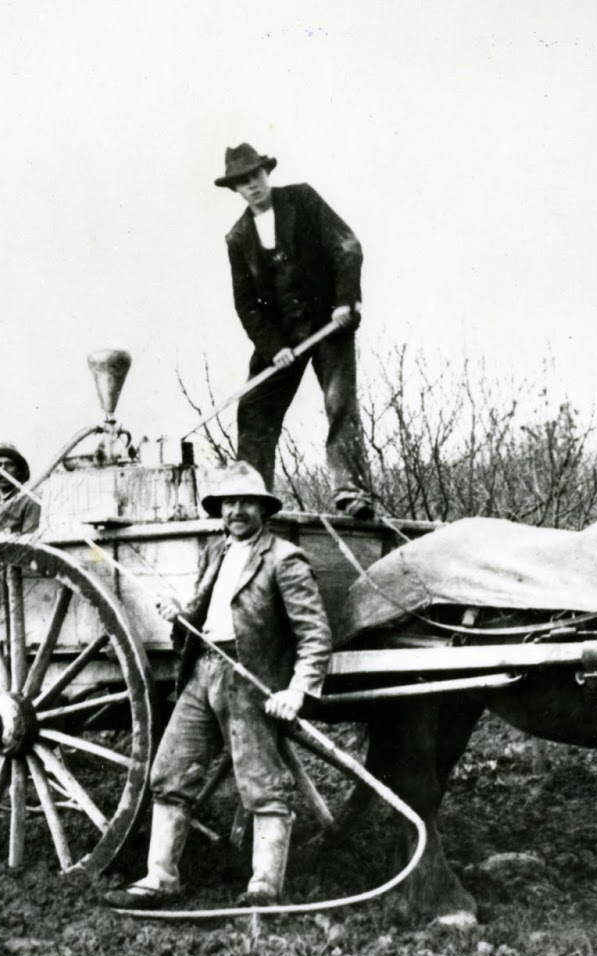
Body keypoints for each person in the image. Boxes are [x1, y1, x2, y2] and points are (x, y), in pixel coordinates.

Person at [104, 461, 331, 909]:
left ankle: (264, 888)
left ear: (263, 510)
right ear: (220, 509)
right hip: (201, 672)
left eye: (246, 502)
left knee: (262, 781)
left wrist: (297, 690)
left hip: (247, 679)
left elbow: (314, 633)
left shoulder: (284, 560)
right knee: (169, 770)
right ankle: (160, 879)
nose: (237, 511)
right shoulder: (215, 552)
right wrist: (179, 613)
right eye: (229, 503)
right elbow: (204, 612)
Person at [216, 143, 376, 520]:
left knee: (340, 402)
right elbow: (247, 304)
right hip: (282, 337)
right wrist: (273, 348)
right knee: (254, 408)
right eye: (242, 182)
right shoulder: (237, 237)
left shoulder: (302, 200)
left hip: (328, 324)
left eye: (255, 176)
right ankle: (252, 498)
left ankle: (352, 493)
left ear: (265, 174)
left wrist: (345, 301)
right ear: (235, 190)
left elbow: (347, 247)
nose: (251, 186)